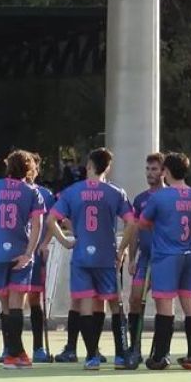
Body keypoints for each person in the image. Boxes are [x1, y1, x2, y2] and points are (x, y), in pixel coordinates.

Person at [47, 147, 137, 370]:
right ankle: (120, 355)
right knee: (114, 305)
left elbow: (51, 219)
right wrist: (122, 248)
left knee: (87, 303)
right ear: (107, 168)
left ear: (89, 166)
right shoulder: (115, 192)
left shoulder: (72, 192)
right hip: (107, 257)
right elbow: (132, 223)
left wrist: (65, 241)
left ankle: (91, 357)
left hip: (82, 257)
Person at [0, 150, 44, 369]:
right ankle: (14, 354)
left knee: (5, 305)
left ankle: (15, 352)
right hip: (20, 253)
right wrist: (30, 252)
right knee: (16, 306)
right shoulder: (32, 192)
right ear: (29, 169)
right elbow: (38, 225)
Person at [139, 152, 191, 370]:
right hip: (188, 254)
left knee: (164, 304)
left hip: (167, 255)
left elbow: (144, 222)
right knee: (189, 302)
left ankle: (161, 355)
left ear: (166, 171)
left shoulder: (160, 196)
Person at [126, 152, 165, 354]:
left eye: (154, 169)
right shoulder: (140, 199)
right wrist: (132, 257)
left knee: (162, 303)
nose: (150, 173)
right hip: (145, 258)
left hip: (164, 259)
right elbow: (134, 230)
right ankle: (135, 345)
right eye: (148, 169)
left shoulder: (169, 196)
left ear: (163, 171)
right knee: (134, 298)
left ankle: (159, 348)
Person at [26, 153, 56, 363]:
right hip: (16, 252)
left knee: (35, 299)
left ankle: (38, 348)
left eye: (33, 168)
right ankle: (9, 347)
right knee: (11, 299)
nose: (30, 172)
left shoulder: (45, 194)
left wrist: (44, 243)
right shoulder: (10, 191)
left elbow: (52, 222)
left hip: (35, 254)